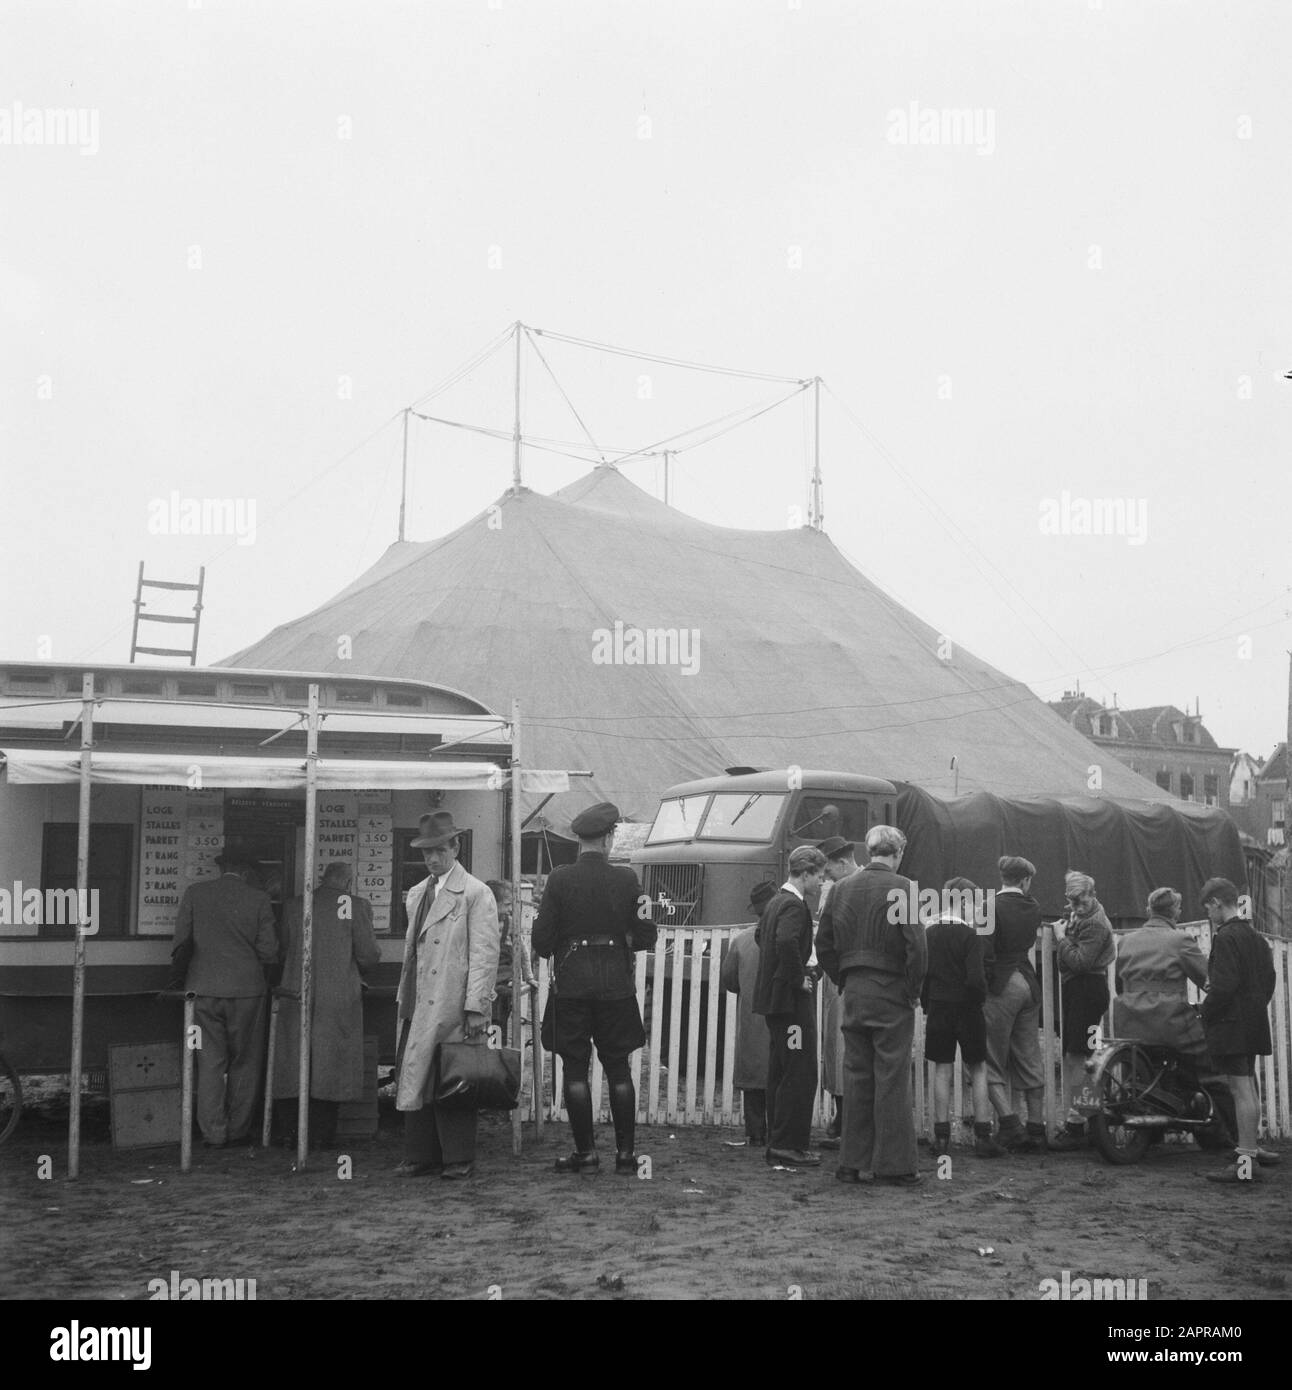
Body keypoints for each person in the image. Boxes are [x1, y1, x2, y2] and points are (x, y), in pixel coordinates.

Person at [533, 802, 656, 1174]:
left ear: (579, 839)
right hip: (616, 987)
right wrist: (621, 943)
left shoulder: (559, 879)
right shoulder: (628, 880)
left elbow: (541, 941)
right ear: (608, 838)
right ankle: (626, 1156)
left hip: (571, 986)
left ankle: (585, 1154)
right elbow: (647, 934)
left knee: (574, 1070)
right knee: (619, 1070)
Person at [817, 825, 926, 1186]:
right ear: (898, 854)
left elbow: (824, 943)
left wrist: (845, 978)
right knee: (892, 1078)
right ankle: (893, 1167)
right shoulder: (903, 888)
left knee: (857, 1077)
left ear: (868, 851)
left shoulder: (841, 888)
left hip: (855, 991)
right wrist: (912, 990)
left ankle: (851, 1163)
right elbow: (917, 948)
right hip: (891, 991)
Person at [394, 812, 500, 1180]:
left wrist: (476, 1007)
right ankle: (420, 1155)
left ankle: (457, 1158)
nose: (433, 858)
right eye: (427, 852)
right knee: (418, 1076)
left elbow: (484, 955)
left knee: (454, 1079)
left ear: (456, 847)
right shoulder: (418, 893)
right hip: (419, 999)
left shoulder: (476, 893)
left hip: (452, 1002)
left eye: (440, 850)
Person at [169, 849, 278, 1148]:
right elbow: (268, 950)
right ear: (245, 872)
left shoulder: (195, 893)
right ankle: (238, 1130)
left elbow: (181, 943)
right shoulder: (258, 899)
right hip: (247, 992)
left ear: (223, 869)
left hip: (201, 991)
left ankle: (213, 1133)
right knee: (246, 1061)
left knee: (209, 1062)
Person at [272, 861, 380, 1149]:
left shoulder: (295, 905)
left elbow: (282, 950)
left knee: (293, 1060)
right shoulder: (354, 905)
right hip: (338, 996)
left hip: (295, 992)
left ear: (323, 879)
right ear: (347, 882)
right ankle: (321, 1135)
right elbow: (368, 954)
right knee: (331, 1063)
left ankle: (290, 1133)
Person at [1199, 877, 1279, 1183]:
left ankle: (1246, 1163)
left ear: (1218, 903)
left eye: (1208, 907)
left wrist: (1206, 1011)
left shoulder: (1226, 936)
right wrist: (1255, 1004)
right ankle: (1250, 1153)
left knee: (1240, 1090)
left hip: (1231, 1025)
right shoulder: (1255, 937)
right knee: (1249, 1089)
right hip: (1253, 1020)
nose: (1208, 914)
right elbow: (1268, 979)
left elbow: (1225, 985)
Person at [753, 845, 827, 1167]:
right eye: (820, 877)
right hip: (792, 1005)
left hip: (774, 1003)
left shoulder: (774, 903)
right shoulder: (795, 907)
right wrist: (798, 978)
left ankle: (778, 1140)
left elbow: (761, 936)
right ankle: (788, 1145)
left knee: (782, 1070)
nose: (822, 883)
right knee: (800, 1070)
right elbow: (784, 941)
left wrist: (778, 973)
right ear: (806, 873)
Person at [922, 879, 1003, 1159]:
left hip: (939, 1006)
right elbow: (976, 979)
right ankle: (983, 1136)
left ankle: (941, 1138)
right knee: (978, 1069)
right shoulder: (970, 936)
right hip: (967, 1008)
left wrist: (927, 1002)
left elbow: (923, 973)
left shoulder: (929, 933)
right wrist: (977, 1000)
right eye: (976, 904)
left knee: (942, 1070)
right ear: (965, 902)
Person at [983, 855, 1047, 1153]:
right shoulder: (1033, 907)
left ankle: (1010, 1126)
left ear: (1003, 877)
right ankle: (1036, 1129)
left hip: (1002, 985)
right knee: (1029, 1055)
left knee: (990, 1058)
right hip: (1027, 982)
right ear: (1024, 880)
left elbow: (986, 951)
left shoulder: (989, 906)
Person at [1049, 871, 1115, 1152]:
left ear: (1093, 894)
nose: (1075, 907)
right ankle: (1086, 1124)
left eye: (1080, 901)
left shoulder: (1096, 924)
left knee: (1081, 1058)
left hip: (1088, 990)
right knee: (1081, 1056)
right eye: (1071, 901)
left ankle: (1078, 1125)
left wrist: (1061, 938)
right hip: (1081, 992)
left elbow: (1079, 963)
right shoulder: (1084, 915)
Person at [1113, 887, 1208, 1058]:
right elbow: (1208, 980)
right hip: (1167, 1021)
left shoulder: (1125, 941)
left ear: (1149, 910)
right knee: (1210, 1054)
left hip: (1128, 1021)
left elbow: (1119, 986)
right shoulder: (1180, 940)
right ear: (1176, 912)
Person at [719, 881, 777, 1146]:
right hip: (783, 1015)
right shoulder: (790, 935)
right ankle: (779, 1132)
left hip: (752, 1015)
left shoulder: (741, 940)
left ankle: (755, 1133)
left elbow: (730, 982)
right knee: (781, 1073)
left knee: (753, 1074)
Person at [815, 836, 857, 1150]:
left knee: (846, 1051)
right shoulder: (835, 888)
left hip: (848, 979)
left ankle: (849, 1122)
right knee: (834, 1051)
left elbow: (825, 939)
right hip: (840, 980)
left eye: (828, 869)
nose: (825, 876)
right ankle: (843, 1117)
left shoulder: (842, 888)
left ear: (842, 862)